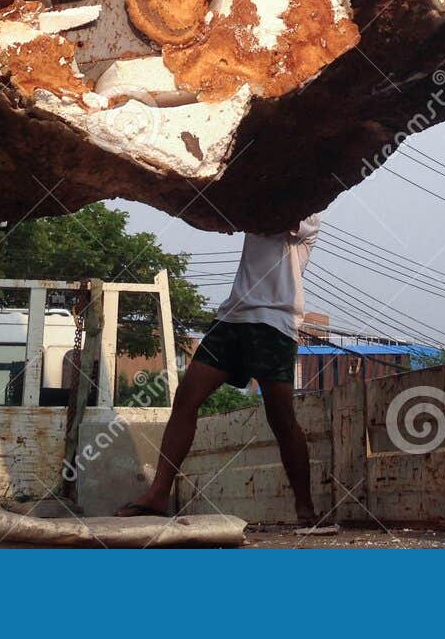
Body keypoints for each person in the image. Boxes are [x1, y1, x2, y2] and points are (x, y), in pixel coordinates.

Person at [119, 214, 324, 527]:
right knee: (186, 396)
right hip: (233, 316)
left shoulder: (310, 208)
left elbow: (276, 214)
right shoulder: (260, 190)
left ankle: (306, 511)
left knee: (281, 417)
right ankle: (158, 494)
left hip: (275, 321)